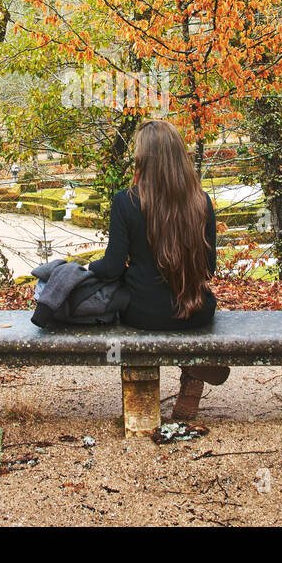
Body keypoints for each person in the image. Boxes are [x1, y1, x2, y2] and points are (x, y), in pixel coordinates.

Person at [88, 119, 229, 421]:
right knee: (201, 306)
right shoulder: (201, 201)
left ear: (143, 159)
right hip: (194, 312)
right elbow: (210, 269)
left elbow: (111, 268)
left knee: (128, 302)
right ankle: (191, 377)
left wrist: (90, 267)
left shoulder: (125, 202)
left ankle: (144, 399)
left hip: (143, 314)